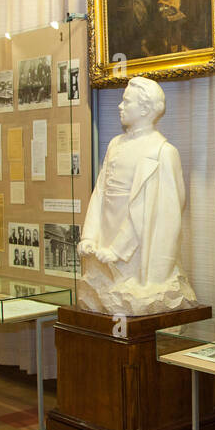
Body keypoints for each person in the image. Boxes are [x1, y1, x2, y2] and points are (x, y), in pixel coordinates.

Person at [77, 77, 198, 316]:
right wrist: (91, 237)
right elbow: (100, 193)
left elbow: (156, 215)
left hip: (135, 250)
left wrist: (117, 250)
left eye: (126, 102)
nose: (120, 107)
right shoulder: (115, 144)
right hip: (106, 237)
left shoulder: (162, 152)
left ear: (145, 109)